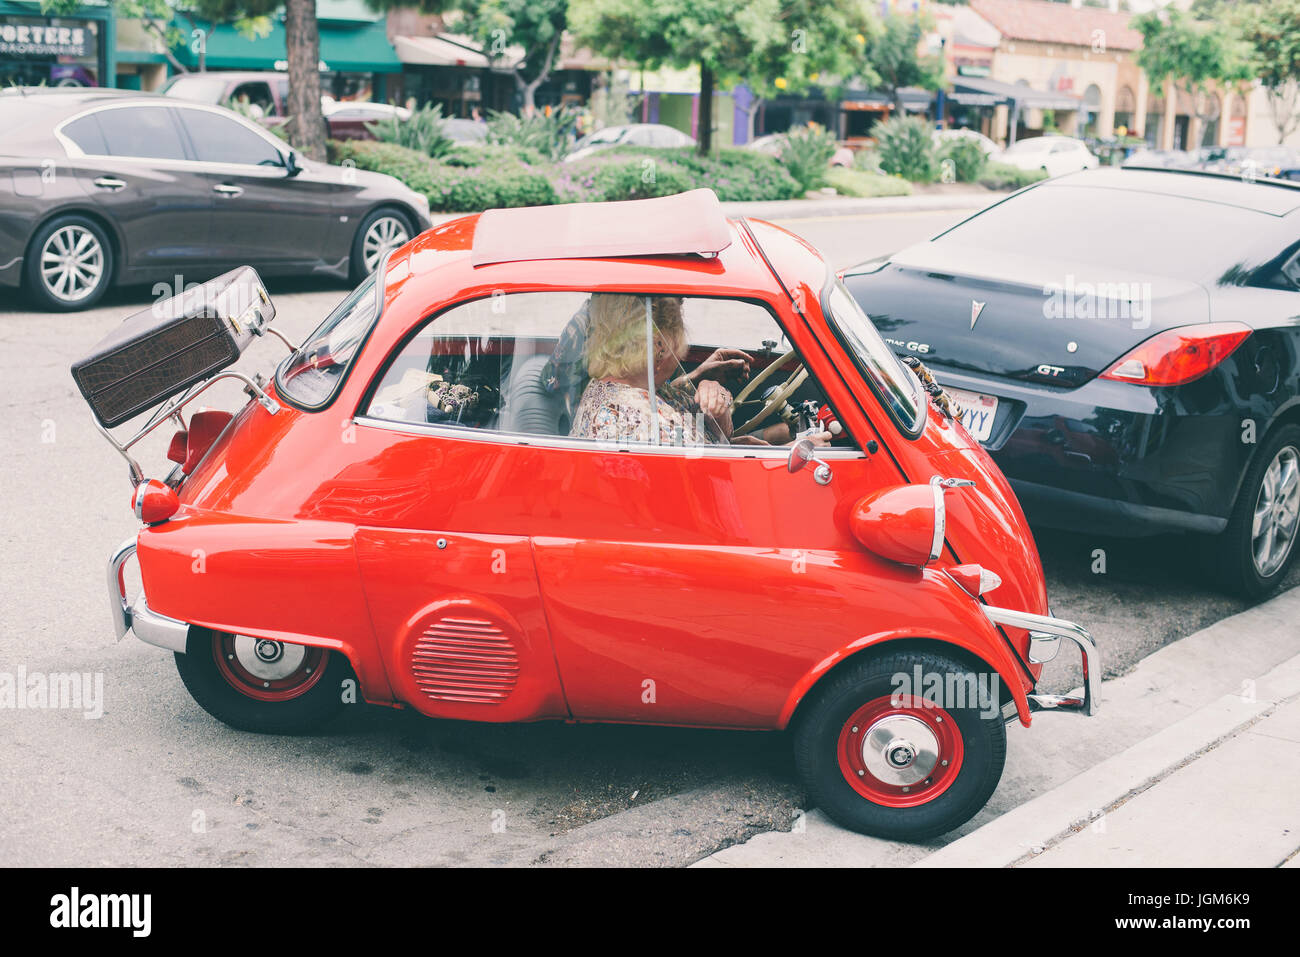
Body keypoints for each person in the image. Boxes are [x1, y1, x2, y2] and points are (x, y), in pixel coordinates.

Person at [569, 293, 826, 448]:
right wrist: (796, 450)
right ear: (660, 344)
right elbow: (724, 480)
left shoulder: (609, 390)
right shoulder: (654, 423)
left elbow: (715, 438)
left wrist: (701, 379)